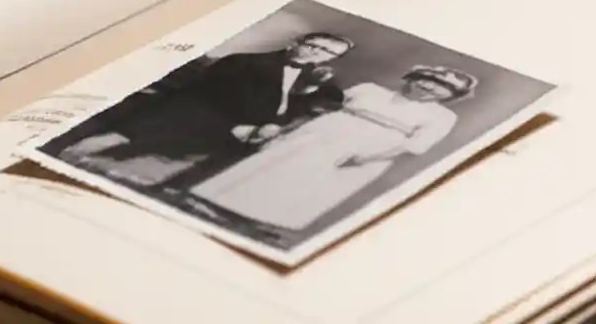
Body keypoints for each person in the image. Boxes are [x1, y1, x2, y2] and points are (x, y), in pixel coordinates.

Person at [46, 32, 354, 188]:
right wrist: (238, 126)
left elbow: (299, 101)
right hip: (187, 116)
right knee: (116, 141)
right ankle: (55, 165)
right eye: (315, 45)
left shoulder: (307, 77)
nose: (318, 53)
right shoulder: (244, 61)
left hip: (228, 132)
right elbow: (213, 96)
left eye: (328, 54)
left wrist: (314, 90)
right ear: (297, 41)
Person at [190, 64, 478, 231]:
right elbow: (317, 107)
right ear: (413, 78)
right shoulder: (369, 89)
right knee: (274, 168)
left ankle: (248, 221)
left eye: (443, 88)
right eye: (428, 79)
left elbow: (416, 146)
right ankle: (212, 201)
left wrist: (367, 157)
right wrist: (286, 129)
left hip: (361, 154)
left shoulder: (442, 117)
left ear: (452, 97)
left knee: (307, 184)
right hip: (318, 135)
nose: (430, 87)